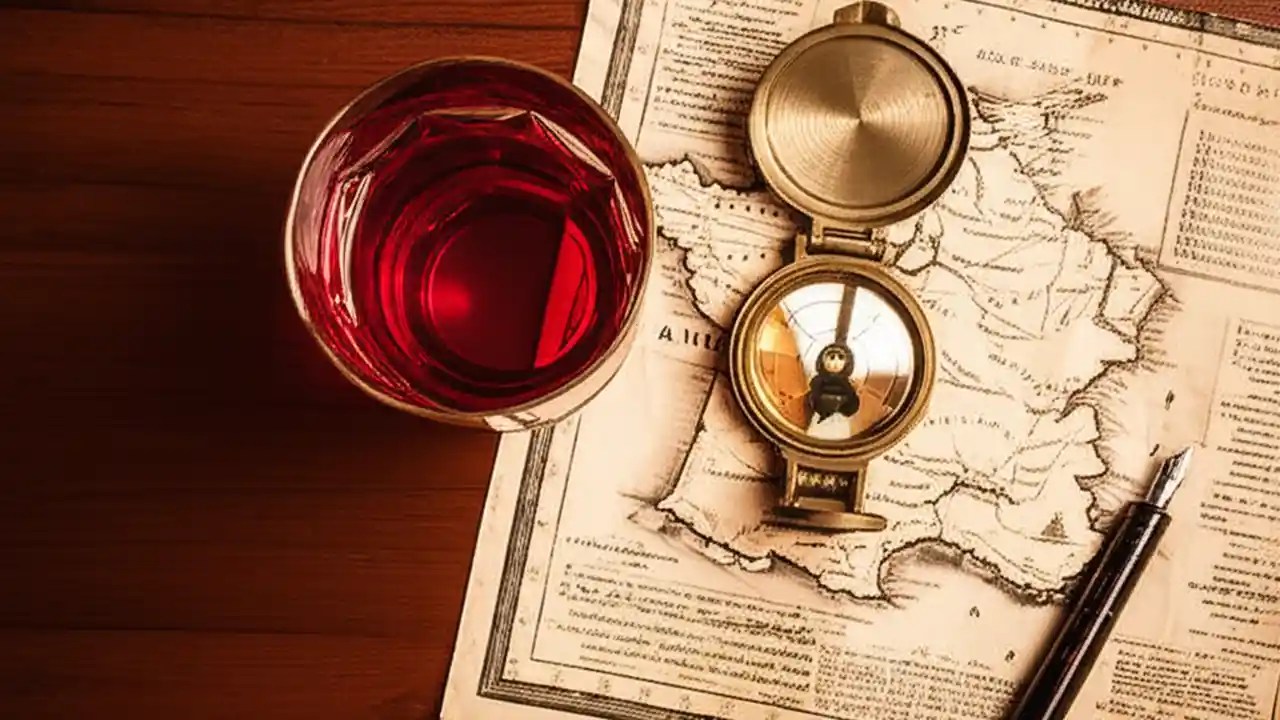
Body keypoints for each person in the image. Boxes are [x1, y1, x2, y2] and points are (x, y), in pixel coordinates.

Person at [805, 343, 860, 439]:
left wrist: (851, 398)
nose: (836, 363)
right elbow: (813, 399)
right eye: (831, 358)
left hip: (839, 419)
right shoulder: (819, 380)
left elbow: (852, 405)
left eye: (840, 358)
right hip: (821, 417)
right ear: (823, 360)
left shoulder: (846, 383)